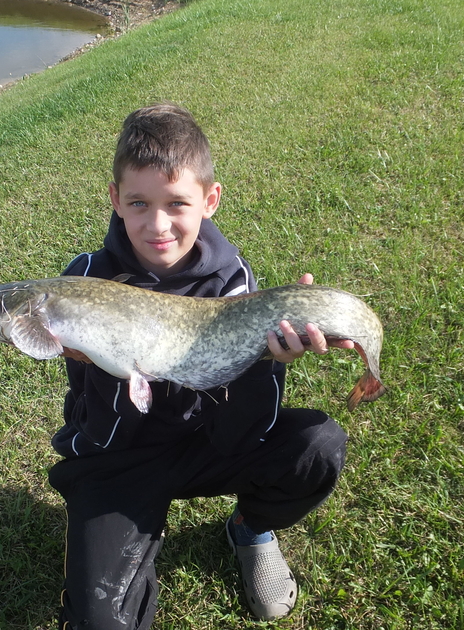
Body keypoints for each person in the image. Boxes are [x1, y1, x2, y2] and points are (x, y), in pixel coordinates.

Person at [47, 103, 353, 629]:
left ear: (209, 201)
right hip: (117, 456)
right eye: (139, 203)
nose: (157, 223)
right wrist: (84, 354)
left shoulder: (234, 284)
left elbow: (244, 433)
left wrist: (264, 363)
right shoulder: (83, 281)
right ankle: (130, 527)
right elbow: (97, 416)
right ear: (116, 200)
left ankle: (251, 527)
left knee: (317, 446)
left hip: (209, 442)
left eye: (177, 203)